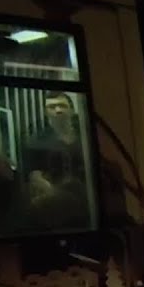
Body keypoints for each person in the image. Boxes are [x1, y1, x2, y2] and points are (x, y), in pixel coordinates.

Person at [21, 91, 89, 229]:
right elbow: (34, 175)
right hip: (54, 204)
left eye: (62, 106)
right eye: (52, 107)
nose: (58, 110)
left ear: (72, 109)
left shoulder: (86, 136)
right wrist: (54, 194)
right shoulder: (37, 140)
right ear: (46, 112)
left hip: (88, 201)